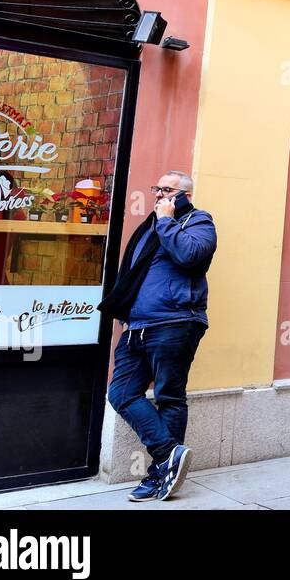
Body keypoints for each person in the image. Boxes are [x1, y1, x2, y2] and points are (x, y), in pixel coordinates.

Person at [99, 170, 217, 503]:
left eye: (167, 190)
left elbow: (192, 257)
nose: (159, 195)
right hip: (136, 327)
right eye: (157, 189)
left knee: (169, 396)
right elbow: (132, 275)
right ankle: (169, 455)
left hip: (175, 323)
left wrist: (166, 222)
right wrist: (124, 315)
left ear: (186, 195)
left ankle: (157, 476)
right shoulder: (149, 228)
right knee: (121, 393)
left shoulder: (198, 221)